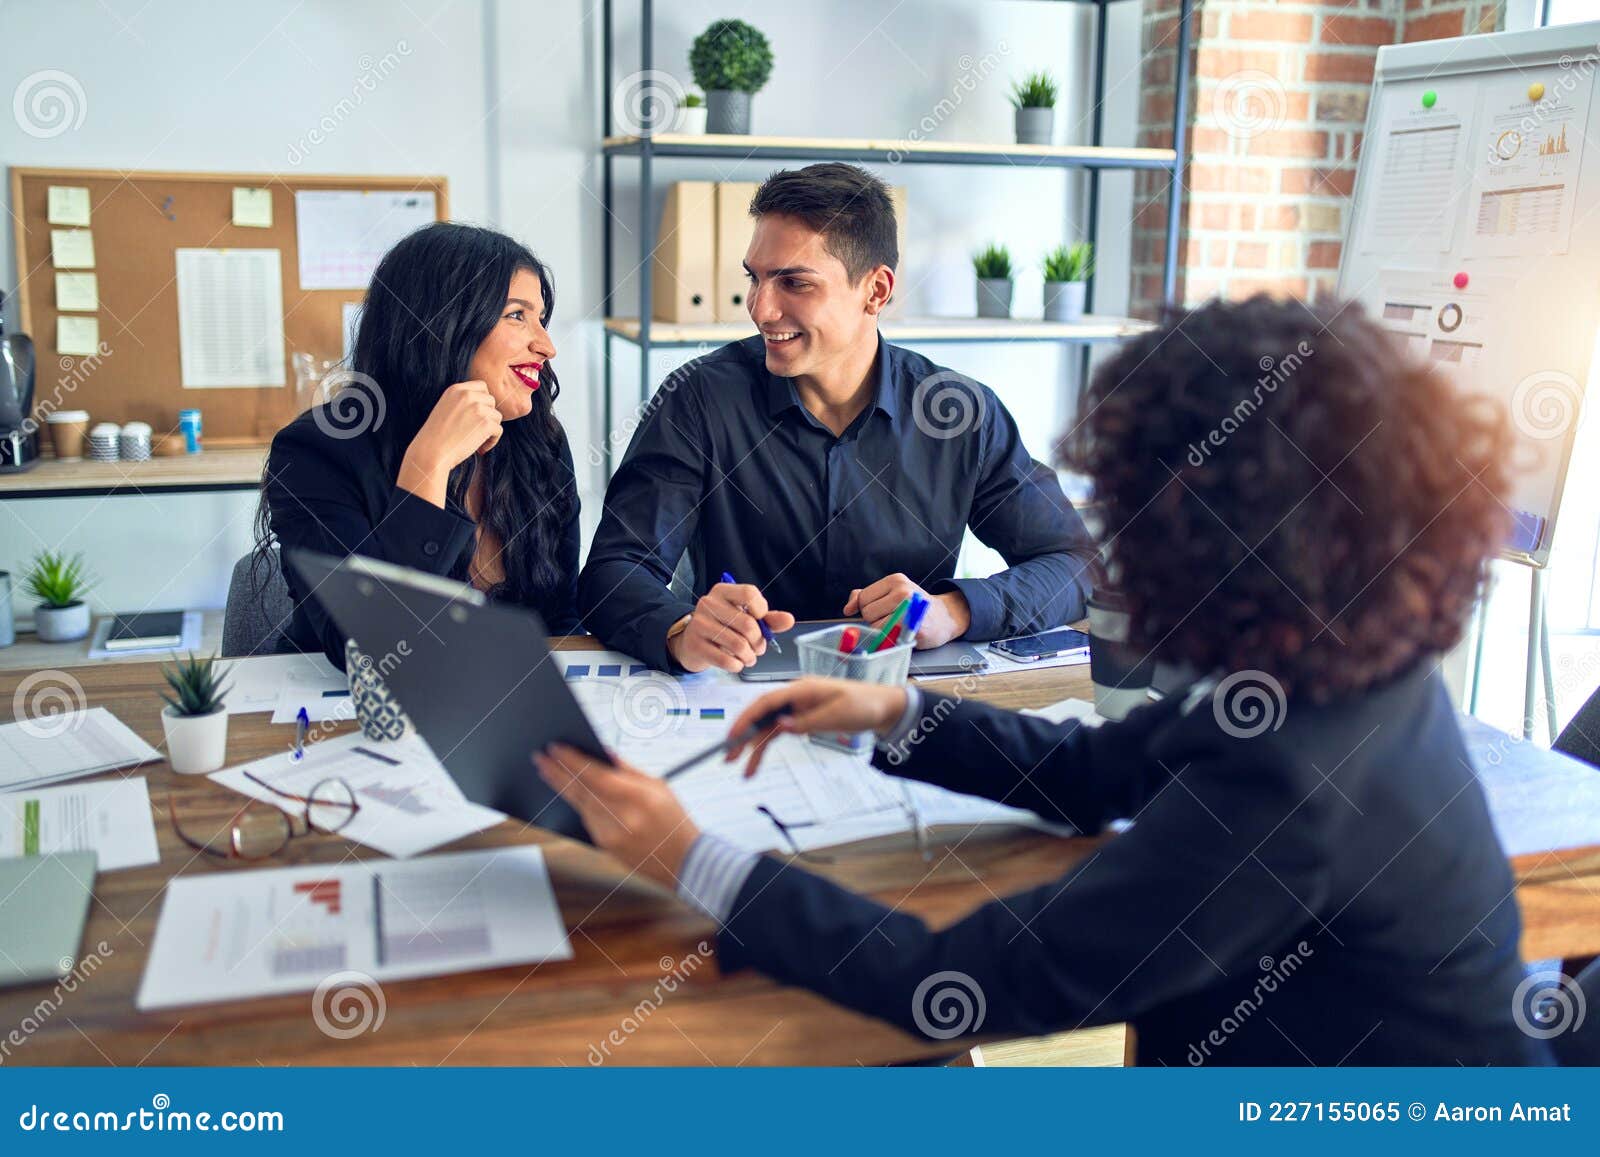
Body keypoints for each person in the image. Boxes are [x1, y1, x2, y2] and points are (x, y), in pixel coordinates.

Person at [539, 296, 1551, 1066]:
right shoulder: (1350, 668)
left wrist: (687, 854)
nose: (1111, 546)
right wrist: (890, 709)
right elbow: (1101, 767)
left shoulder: (1292, 787)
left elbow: (966, 980)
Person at [577, 162, 1096, 674]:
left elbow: (1075, 566)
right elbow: (614, 573)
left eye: (794, 284)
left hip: (900, 708)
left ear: (876, 291)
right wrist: (679, 630)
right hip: (738, 705)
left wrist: (953, 611)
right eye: (754, 278)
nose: (760, 308)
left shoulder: (961, 414)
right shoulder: (698, 399)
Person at [257, 222, 580, 668]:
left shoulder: (539, 443)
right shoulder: (317, 452)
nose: (546, 345)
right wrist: (429, 463)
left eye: (541, 319)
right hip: (347, 717)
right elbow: (367, 648)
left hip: (501, 712)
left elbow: (561, 623)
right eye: (516, 315)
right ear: (441, 325)